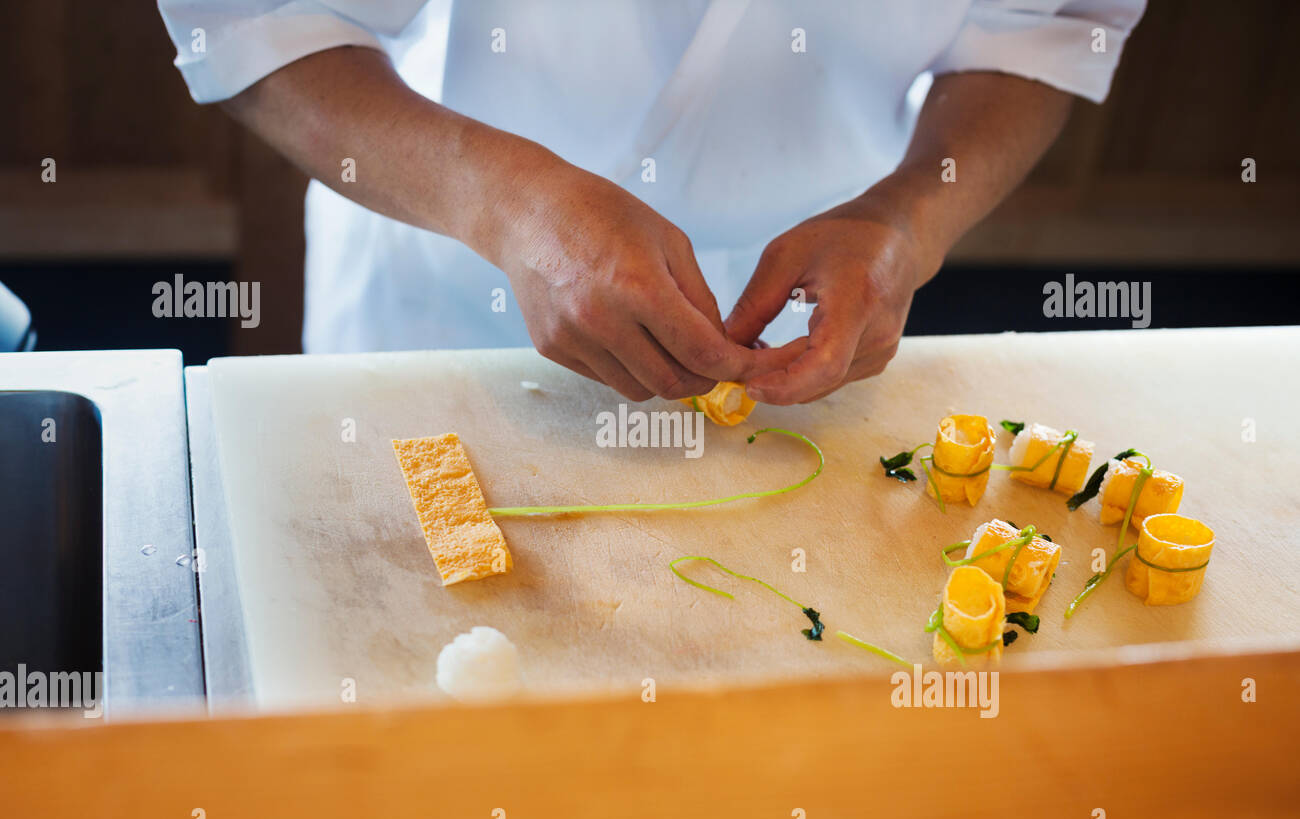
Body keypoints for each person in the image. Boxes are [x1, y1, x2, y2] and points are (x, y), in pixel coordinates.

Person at [157, 0, 1145, 404]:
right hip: (451, 265)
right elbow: (257, 28)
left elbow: (1044, 32)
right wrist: (504, 204)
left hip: (823, 319)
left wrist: (908, 218)